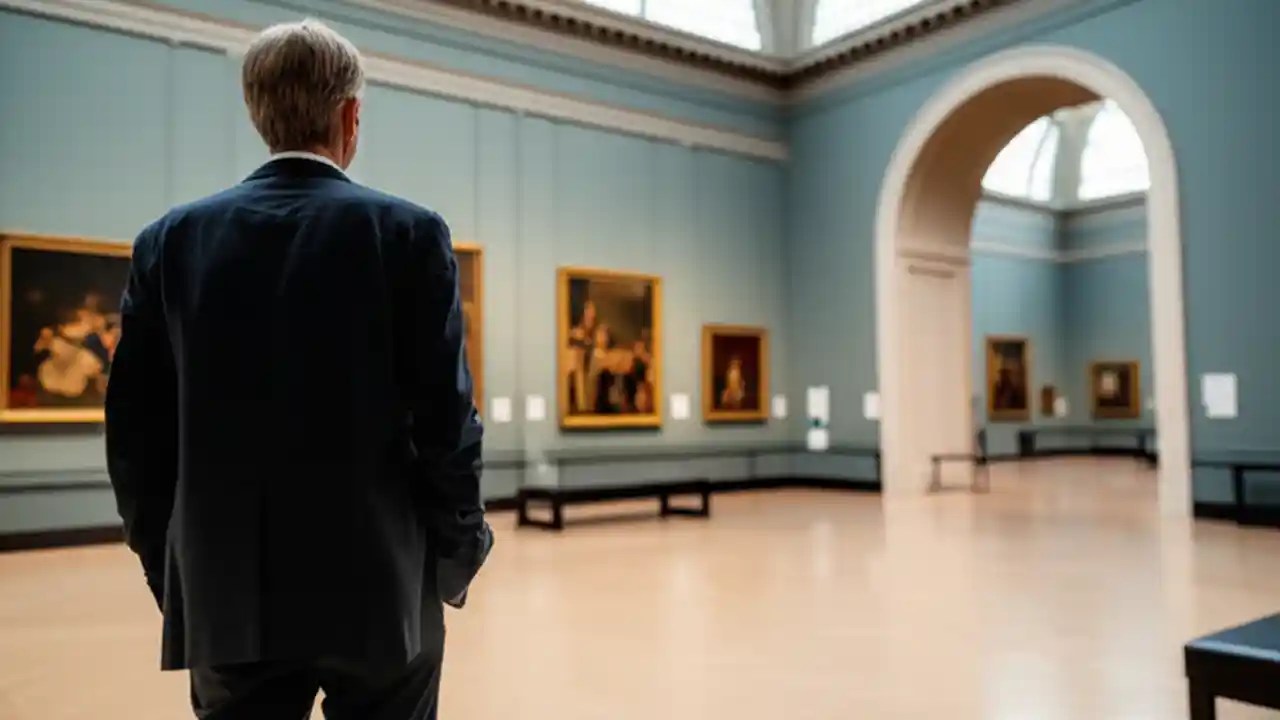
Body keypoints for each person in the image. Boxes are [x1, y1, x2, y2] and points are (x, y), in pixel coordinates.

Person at [105, 19, 491, 720]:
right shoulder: (407, 235)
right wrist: (457, 556)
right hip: (382, 587)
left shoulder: (170, 242)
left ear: (258, 114)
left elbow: (136, 441)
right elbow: (446, 424)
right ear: (351, 116)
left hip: (228, 590)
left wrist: (174, 569)